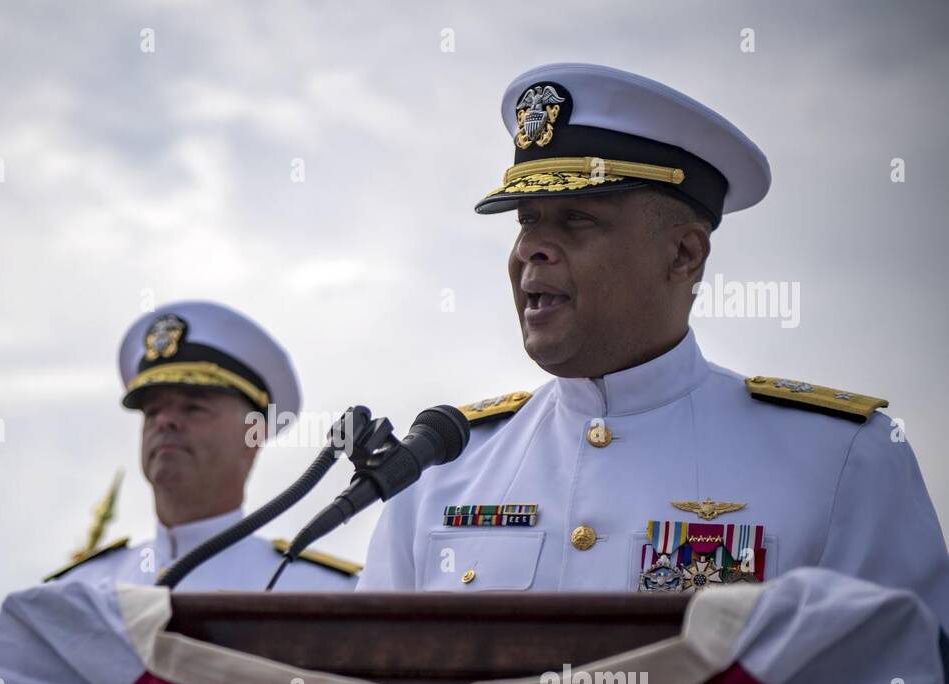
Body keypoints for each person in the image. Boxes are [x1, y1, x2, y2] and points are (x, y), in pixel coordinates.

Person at [358, 63, 949, 633]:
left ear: (684, 254)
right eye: (527, 220)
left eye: (578, 220)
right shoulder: (440, 470)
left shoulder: (842, 459)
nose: (532, 248)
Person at [48, 299, 359, 590]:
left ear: (253, 434)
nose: (164, 421)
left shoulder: (322, 595)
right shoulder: (78, 591)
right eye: (152, 410)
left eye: (193, 407)